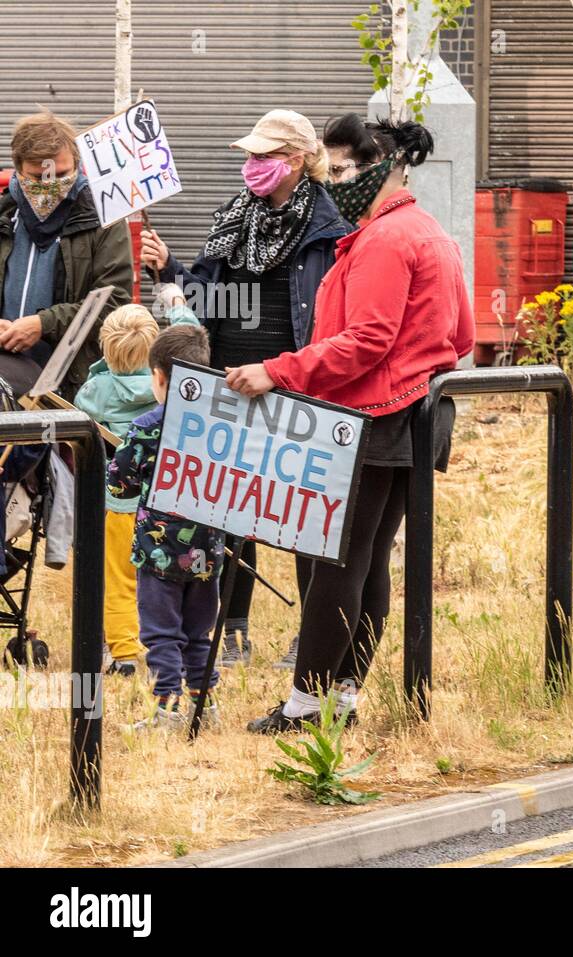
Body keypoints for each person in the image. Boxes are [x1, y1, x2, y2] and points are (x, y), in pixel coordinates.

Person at [226, 117, 474, 733]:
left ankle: (306, 703)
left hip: (372, 415)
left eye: (340, 171)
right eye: (328, 171)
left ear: (383, 168)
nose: (333, 183)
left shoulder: (386, 240)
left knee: (336, 559)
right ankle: (341, 696)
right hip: (413, 416)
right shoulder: (430, 232)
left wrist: (277, 371)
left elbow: (364, 342)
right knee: (365, 560)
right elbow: (464, 336)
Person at [138, 109, 350, 669]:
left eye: (265, 156)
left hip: (296, 380)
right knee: (229, 508)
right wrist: (169, 270)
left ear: (298, 161)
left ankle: (313, 633)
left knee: (305, 514)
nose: (252, 166)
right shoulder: (236, 218)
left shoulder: (331, 228)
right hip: (228, 377)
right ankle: (231, 628)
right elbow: (206, 296)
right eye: (250, 156)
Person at [108, 324, 226, 731]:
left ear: (158, 377)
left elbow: (119, 482)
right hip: (207, 550)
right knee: (198, 632)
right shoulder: (221, 427)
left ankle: (168, 710)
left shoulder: (145, 427)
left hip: (158, 554)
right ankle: (204, 706)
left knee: (162, 633)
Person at [0, 111, 132, 396]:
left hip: (73, 384)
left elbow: (114, 301)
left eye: (60, 175)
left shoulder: (105, 218)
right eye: (37, 176)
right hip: (6, 382)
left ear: (77, 164)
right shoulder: (4, 214)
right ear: (18, 170)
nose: (49, 184)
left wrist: (43, 324)